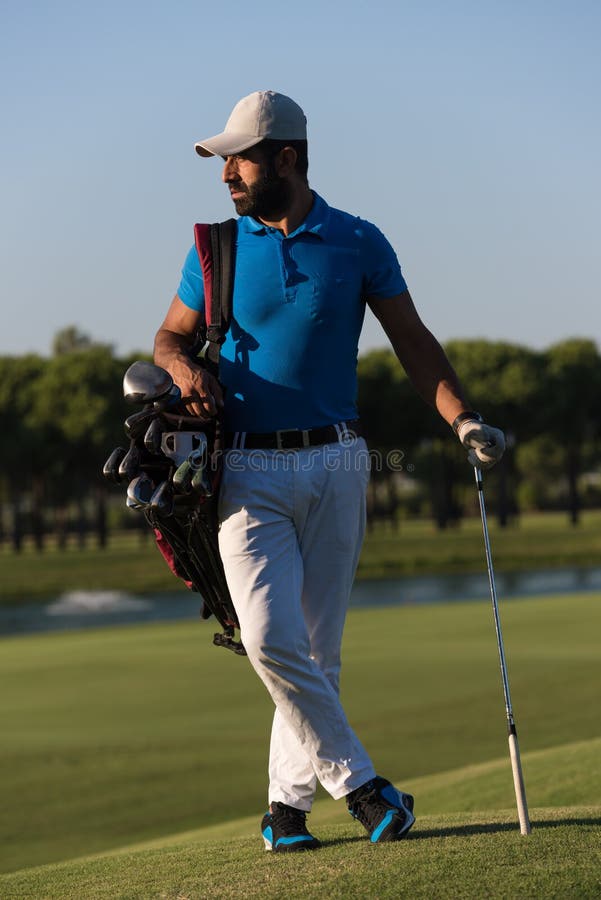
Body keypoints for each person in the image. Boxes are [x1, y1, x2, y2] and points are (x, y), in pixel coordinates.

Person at [154, 90, 505, 852]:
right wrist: (181, 367)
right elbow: (168, 338)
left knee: (317, 649)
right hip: (245, 469)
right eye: (224, 162)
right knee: (267, 638)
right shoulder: (215, 249)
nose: (226, 174)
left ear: (286, 158)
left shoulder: (357, 241)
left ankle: (284, 813)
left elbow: (412, 341)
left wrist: (462, 420)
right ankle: (365, 790)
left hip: (338, 460)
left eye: (239, 159)